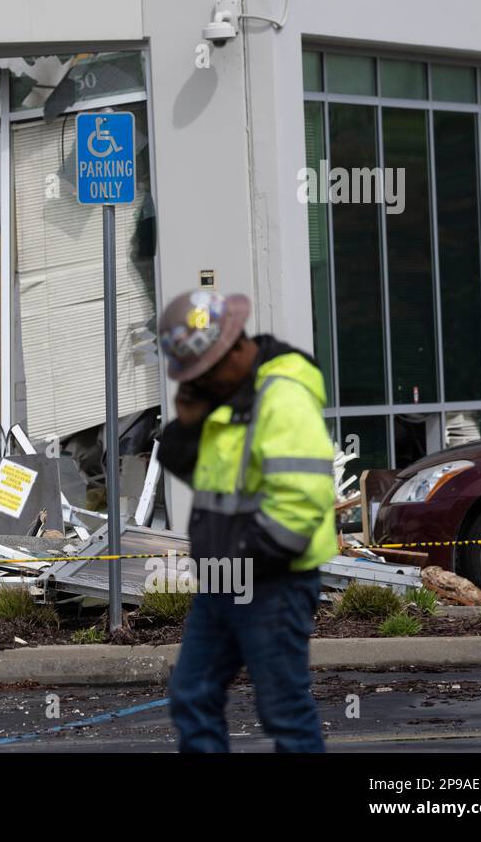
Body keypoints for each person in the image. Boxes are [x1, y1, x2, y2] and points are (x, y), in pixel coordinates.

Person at [155, 289, 337, 752]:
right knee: (192, 696)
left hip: (273, 583)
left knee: (284, 713)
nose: (201, 383)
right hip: (225, 580)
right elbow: (202, 476)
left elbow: (299, 504)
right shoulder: (231, 399)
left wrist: (241, 562)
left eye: (206, 373)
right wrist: (188, 425)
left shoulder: (281, 399)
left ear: (235, 347)